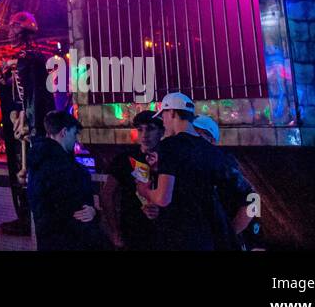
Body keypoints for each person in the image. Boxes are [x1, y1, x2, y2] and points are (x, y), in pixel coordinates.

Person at [136, 93, 250, 251]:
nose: (164, 123)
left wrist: (144, 190)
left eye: (164, 116)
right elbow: (252, 196)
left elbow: (163, 198)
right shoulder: (215, 154)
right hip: (207, 240)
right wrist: (228, 233)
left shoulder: (170, 146)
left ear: (173, 113)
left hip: (179, 239)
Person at [26, 110, 107, 251]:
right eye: (74, 133)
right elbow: (77, 210)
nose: (76, 140)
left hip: (50, 241)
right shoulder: (64, 167)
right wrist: (93, 212)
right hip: (71, 240)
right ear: (64, 132)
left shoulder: (38, 162)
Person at [193, 114, 262, 250]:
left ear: (212, 141)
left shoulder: (224, 164)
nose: (193, 142)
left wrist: (229, 234)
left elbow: (253, 199)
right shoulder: (192, 165)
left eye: (198, 136)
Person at [101, 110, 163, 250]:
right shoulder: (124, 160)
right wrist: (114, 230)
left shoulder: (171, 159)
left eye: (151, 129)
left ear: (161, 132)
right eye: (140, 130)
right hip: (132, 231)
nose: (145, 135)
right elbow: (107, 194)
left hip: (165, 231)